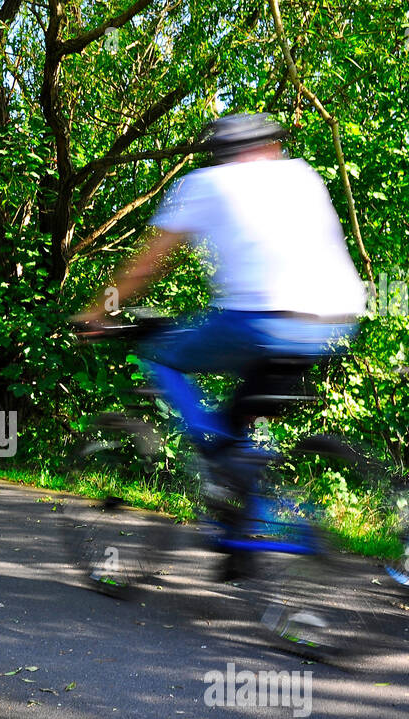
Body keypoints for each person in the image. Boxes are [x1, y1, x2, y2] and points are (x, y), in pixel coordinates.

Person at [74, 113, 367, 574]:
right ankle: (237, 531)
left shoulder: (207, 182)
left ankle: (228, 490)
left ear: (222, 152)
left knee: (164, 355)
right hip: (331, 325)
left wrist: (101, 310)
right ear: (270, 147)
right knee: (237, 427)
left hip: (258, 320)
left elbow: (149, 263)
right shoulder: (303, 176)